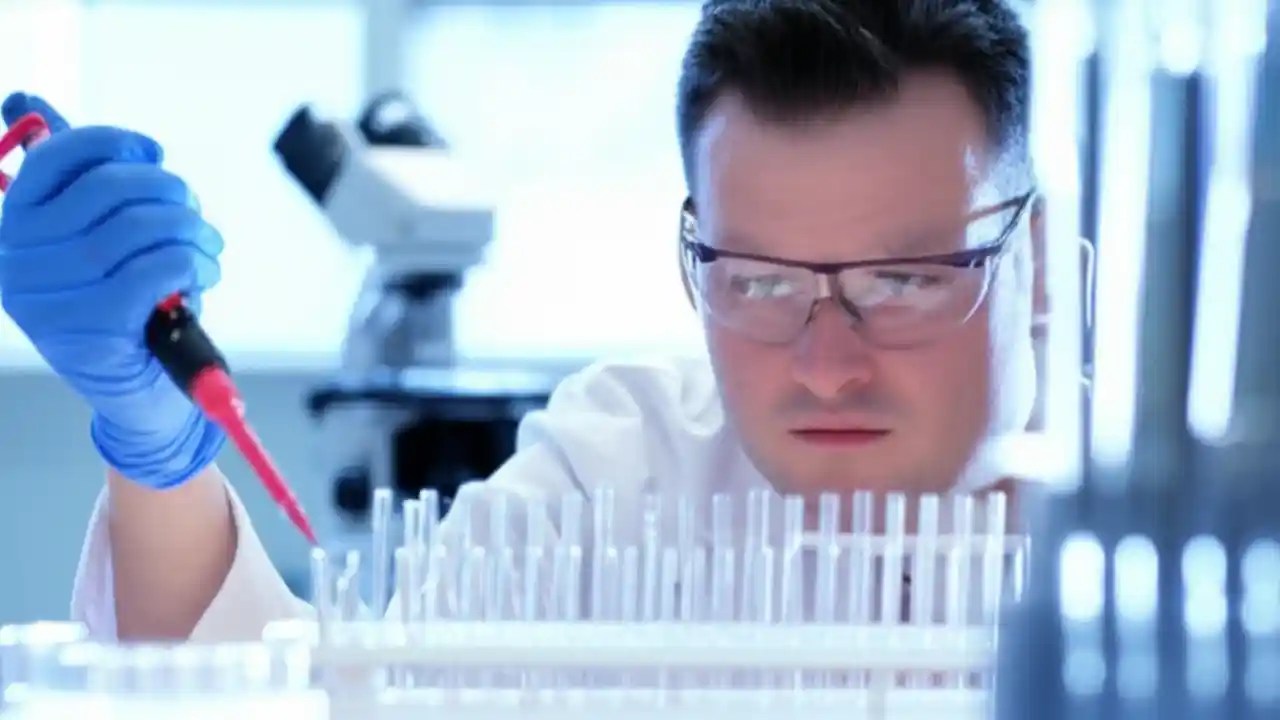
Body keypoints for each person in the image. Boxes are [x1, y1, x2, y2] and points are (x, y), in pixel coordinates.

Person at [0, 0, 1046, 642]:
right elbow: (320, 707)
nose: (825, 367)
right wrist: (157, 453)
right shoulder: (616, 481)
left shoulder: (1172, 546)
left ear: (1034, 261)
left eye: (903, 280)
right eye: (760, 282)